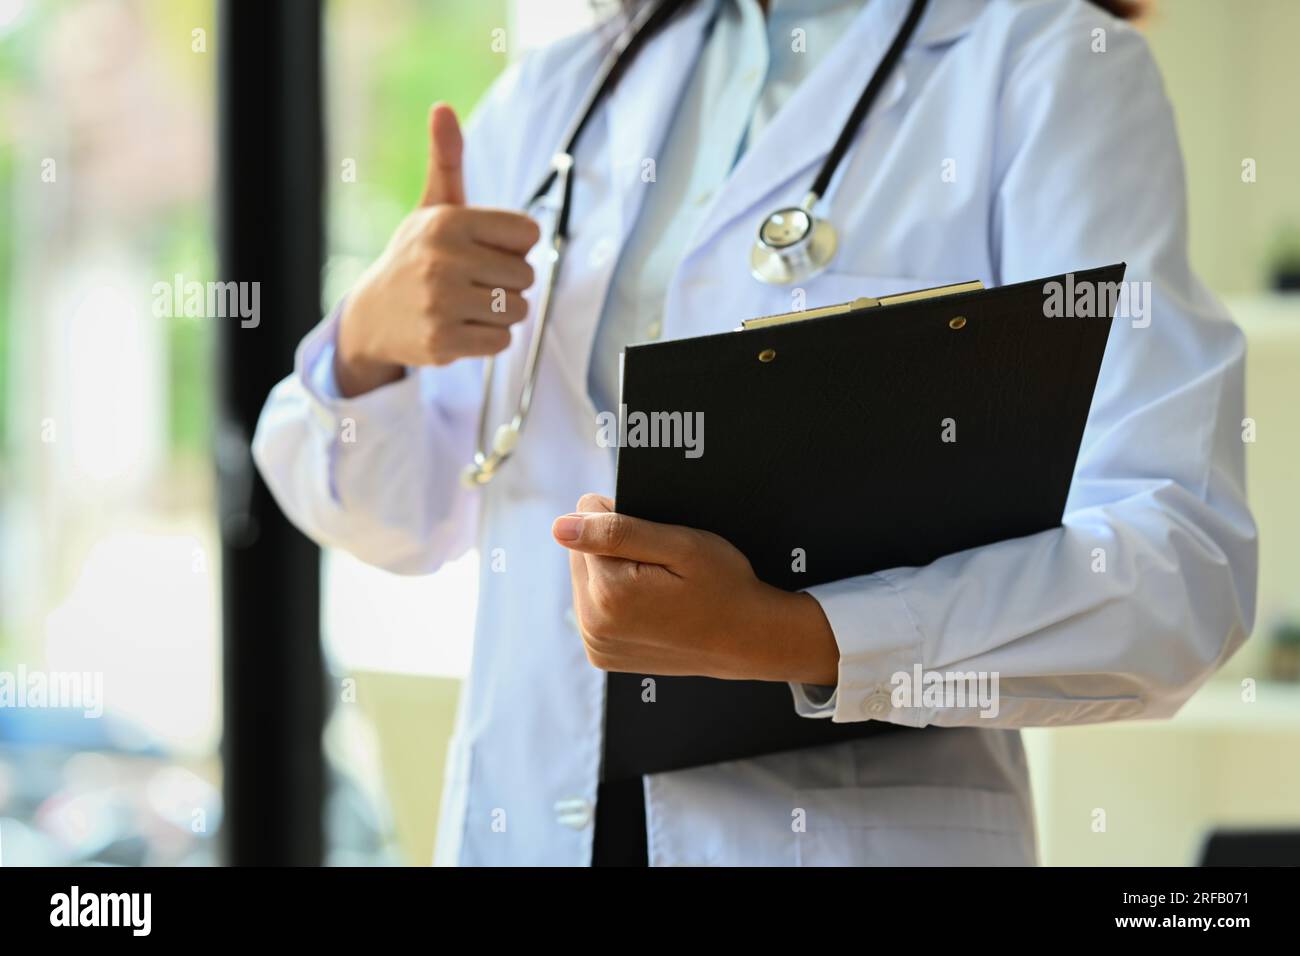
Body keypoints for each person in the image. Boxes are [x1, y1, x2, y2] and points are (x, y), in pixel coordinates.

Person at [253, 0, 1257, 866]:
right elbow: (400, 517)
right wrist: (368, 341)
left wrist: (798, 637)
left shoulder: (1041, 67)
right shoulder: (559, 92)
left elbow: (1181, 566)